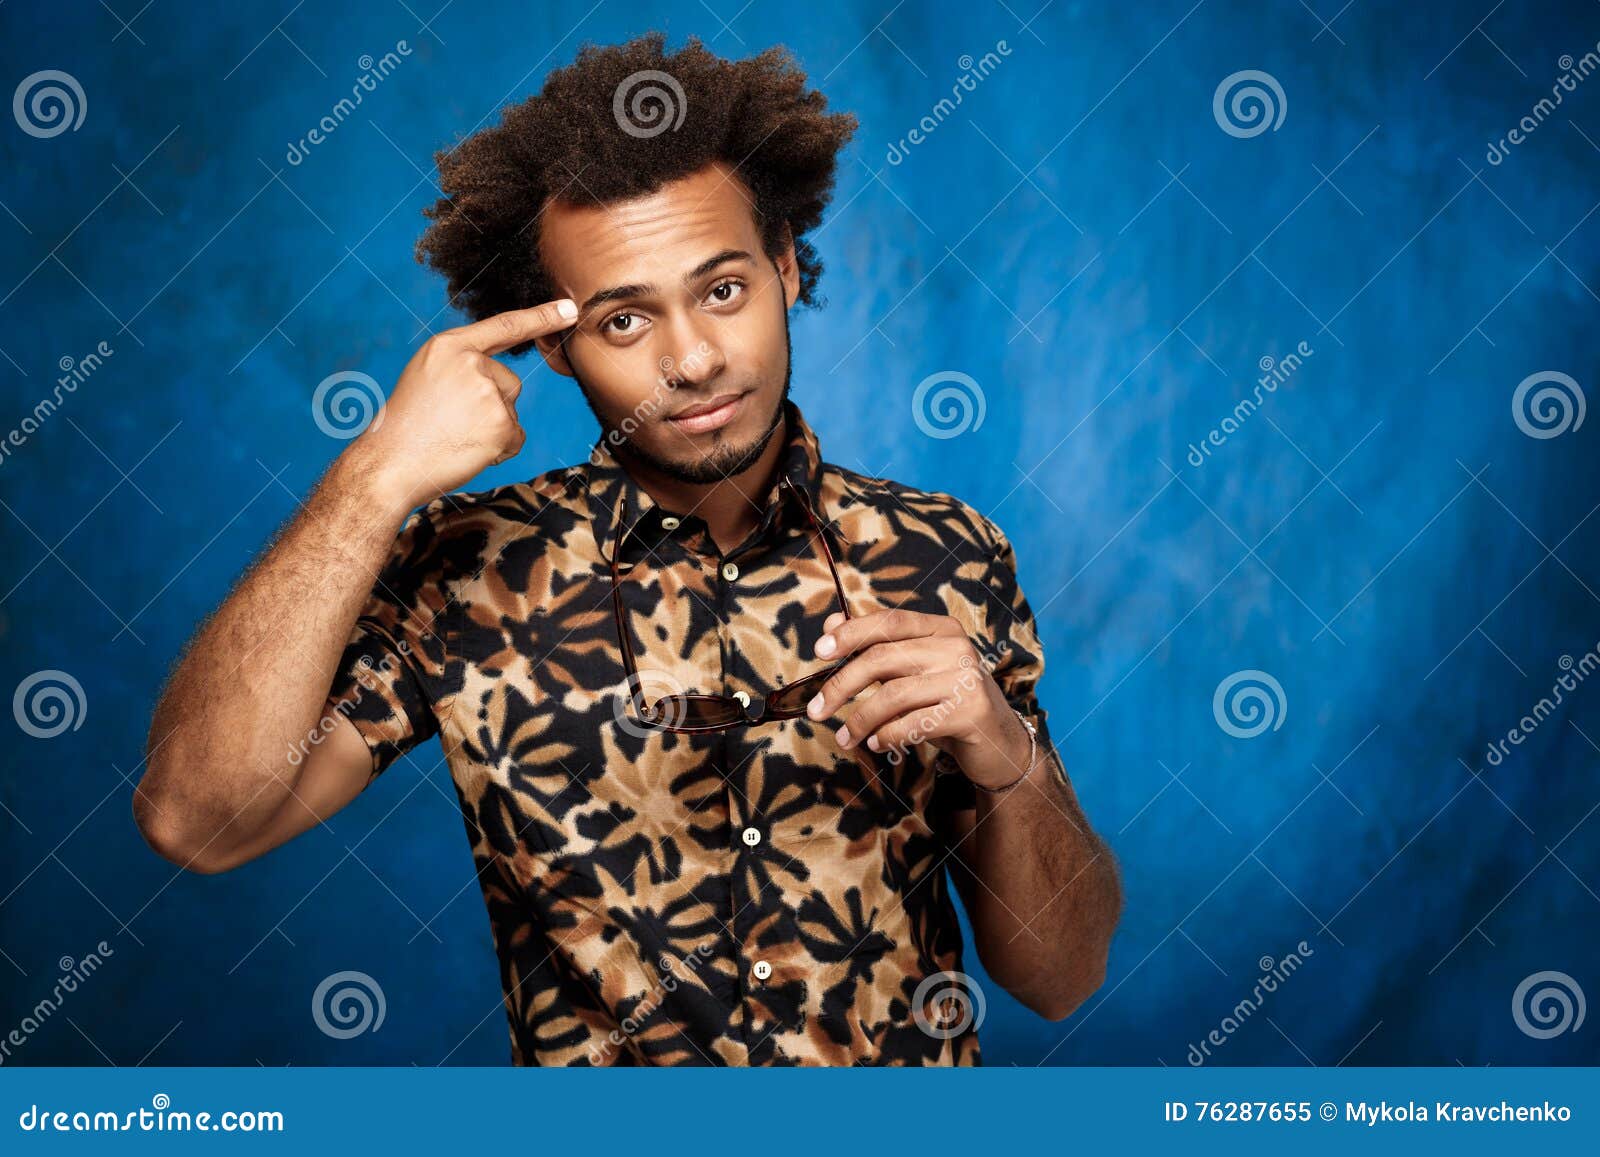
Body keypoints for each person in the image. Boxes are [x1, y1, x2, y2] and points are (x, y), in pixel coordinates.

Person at [134, 32, 1122, 1066]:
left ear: (785, 266)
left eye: (723, 289)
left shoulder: (943, 551)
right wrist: (373, 477)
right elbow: (198, 820)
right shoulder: (468, 569)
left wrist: (1003, 749)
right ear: (554, 345)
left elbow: (1061, 978)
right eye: (621, 319)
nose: (690, 358)